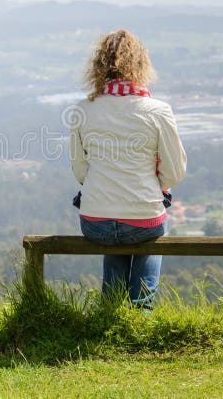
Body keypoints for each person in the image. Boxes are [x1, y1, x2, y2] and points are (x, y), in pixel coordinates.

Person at [69, 29, 186, 309]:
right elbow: (174, 173)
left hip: (94, 223)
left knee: (113, 228)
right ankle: (141, 310)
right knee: (148, 227)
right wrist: (156, 185)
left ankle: (110, 309)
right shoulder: (158, 111)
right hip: (143, 222)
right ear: (140, 65)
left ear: (98, 66)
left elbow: (81, 171)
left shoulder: (82, 110)